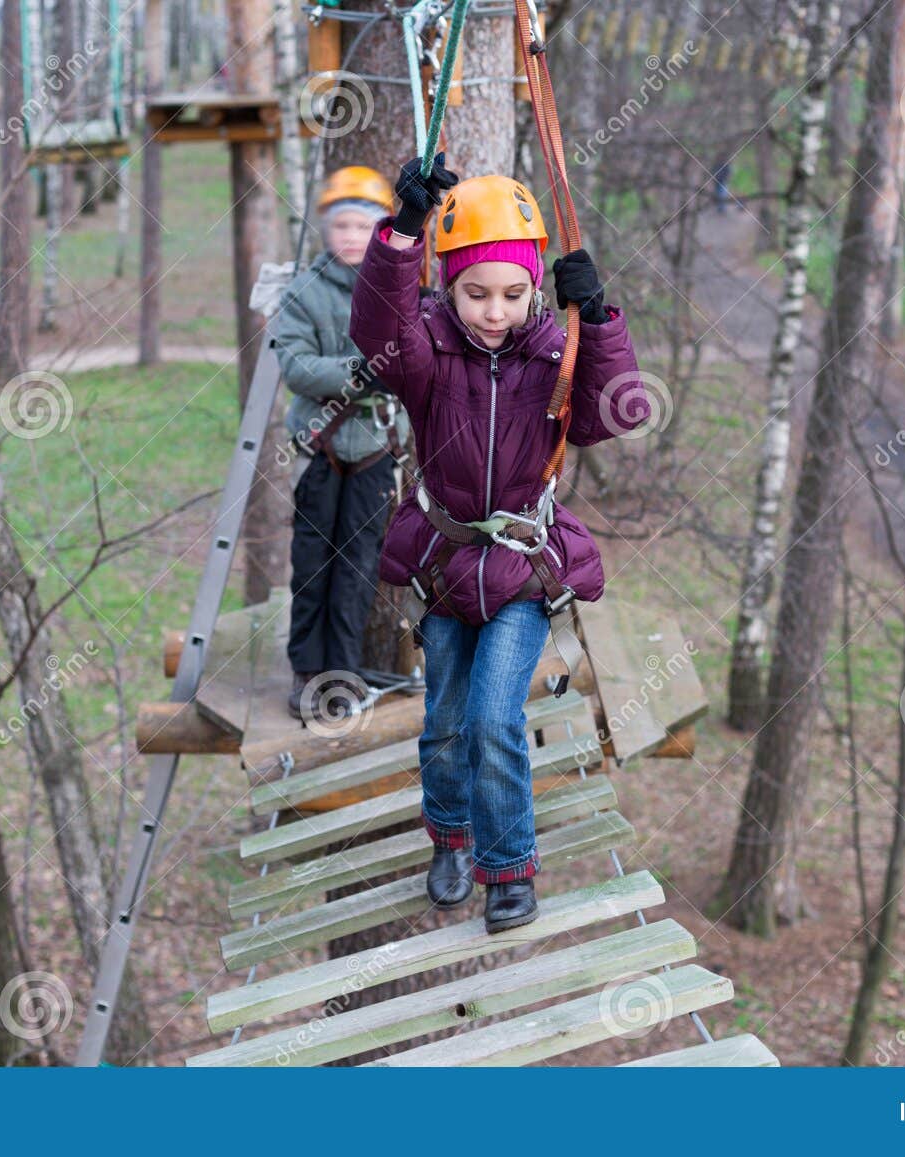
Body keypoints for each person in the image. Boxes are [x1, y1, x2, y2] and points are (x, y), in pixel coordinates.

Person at [349, 152, 651, 932]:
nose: (493, 311)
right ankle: (450, 838)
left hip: (519, 568)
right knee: (444, 720)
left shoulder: (553, 350)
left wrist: (602, 322)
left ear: (535, 290)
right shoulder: (425, 352)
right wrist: (402, 235)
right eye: (476, 293)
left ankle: (508, 863)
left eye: (514, 294)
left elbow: (611, 414)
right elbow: (377, 333)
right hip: (446, 566)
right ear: (447, 286)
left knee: (491, 717)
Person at [272, 166, 413, 722]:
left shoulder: (394, 290)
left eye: (364, 225)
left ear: (380, 229)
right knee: (312, 564)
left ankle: (343, 673)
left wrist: (392, 370)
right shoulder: (304, 292)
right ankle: (307, 671)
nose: (353, 236)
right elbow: (296, 365)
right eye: (343, 225)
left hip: (376, 450)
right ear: (326, 231)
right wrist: (360, 372)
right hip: (320, 451)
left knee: (357, 567)